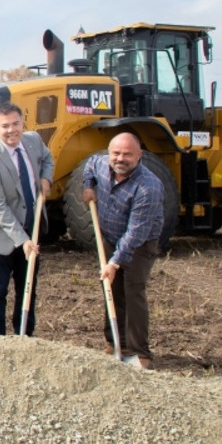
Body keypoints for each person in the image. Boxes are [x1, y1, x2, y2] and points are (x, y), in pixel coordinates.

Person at [82, 132, 164, 368]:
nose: (120, 158)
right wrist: (88, 186)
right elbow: (89, 166)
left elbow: (135, 233)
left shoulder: (148, 187)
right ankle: (116, 343)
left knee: (133, 291)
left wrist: (114, 262)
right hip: (108, 236)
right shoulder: (100, 164)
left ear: (139, 156)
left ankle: (141, 353)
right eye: (116, 153)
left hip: (140, 244)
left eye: (127, 154)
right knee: (110, 288)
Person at [0, 102, 54, 336]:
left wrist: (46, 179)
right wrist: (22, 240)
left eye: (15, 124)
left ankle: (24, 335)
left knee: (27, 286)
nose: (11, 130)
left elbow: (48, 159)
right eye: (5, 126)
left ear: (23, 122)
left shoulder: (34, 141)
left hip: (33, 226)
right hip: (0, 235)